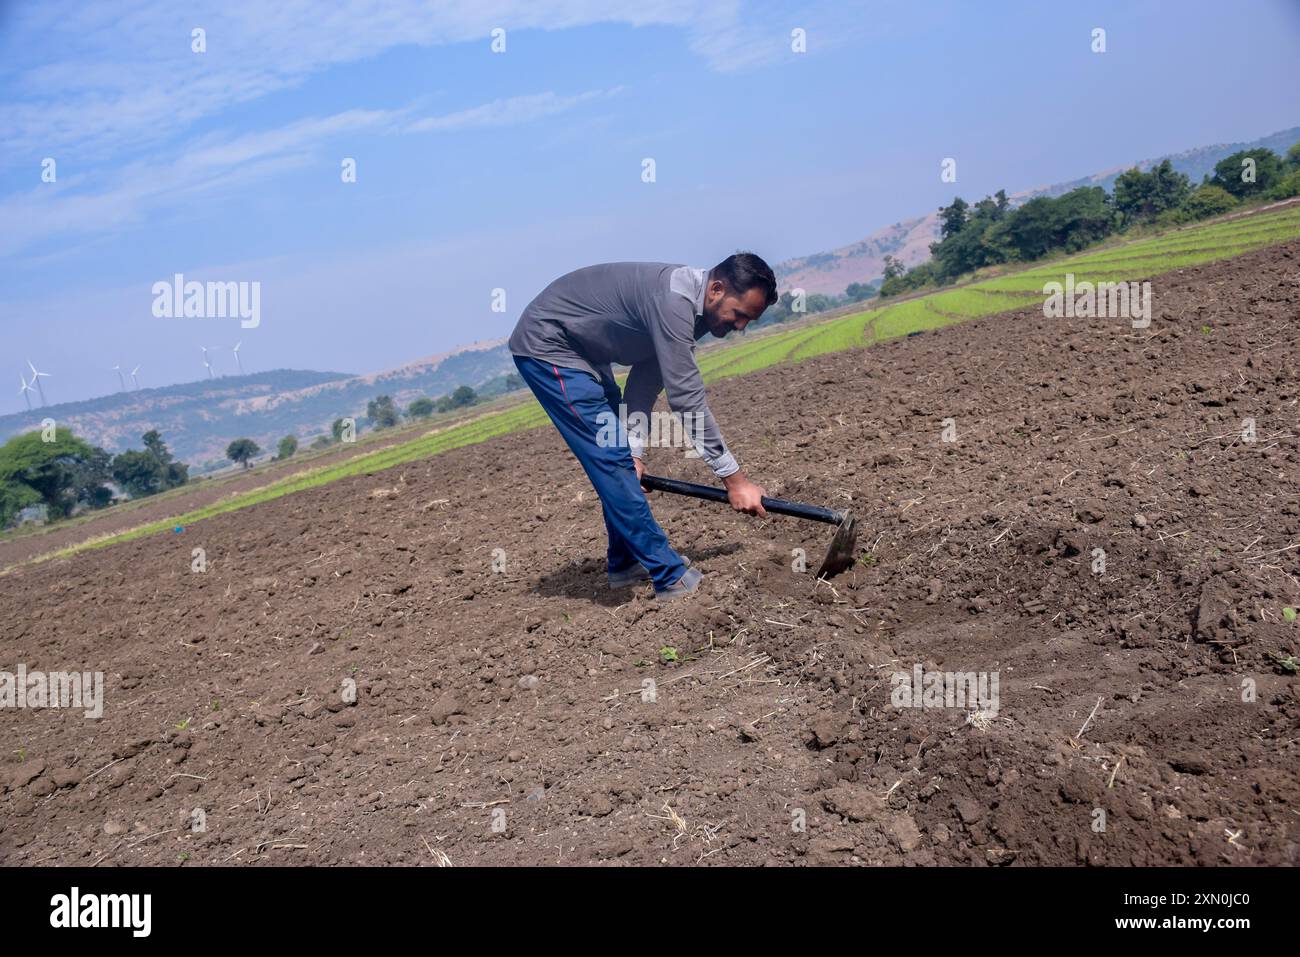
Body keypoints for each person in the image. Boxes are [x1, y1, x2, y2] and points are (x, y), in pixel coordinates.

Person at [508, 253, 777, 601]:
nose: (740, 326)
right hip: (551, 345)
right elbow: (686, 398)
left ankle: (624, 563)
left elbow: (647, 379)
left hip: (586, 352)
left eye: (748, 321)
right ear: (717, 289)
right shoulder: (673, 304)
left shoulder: (695, 312)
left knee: (620, 457)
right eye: (739, 314)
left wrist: (634, 450)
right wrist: (734, 480)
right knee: (612, 459)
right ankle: (669, 575)